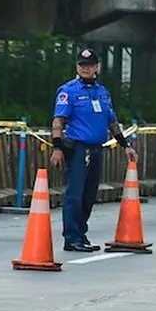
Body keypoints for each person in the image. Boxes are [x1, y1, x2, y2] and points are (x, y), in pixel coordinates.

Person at [50, 47, 137, 252]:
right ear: (77, 67)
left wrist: (125, 145)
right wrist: (57, 147)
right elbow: (58, 121)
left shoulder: (102, 92)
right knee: (75, 194)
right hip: (78, 148)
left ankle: (81, 233)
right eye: (82, 65)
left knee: (89, 195)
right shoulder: (68, 91)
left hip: (97, 149)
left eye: (89, 65)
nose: (85, 69)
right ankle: (71, 238)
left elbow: (112, 122)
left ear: (97, 67)